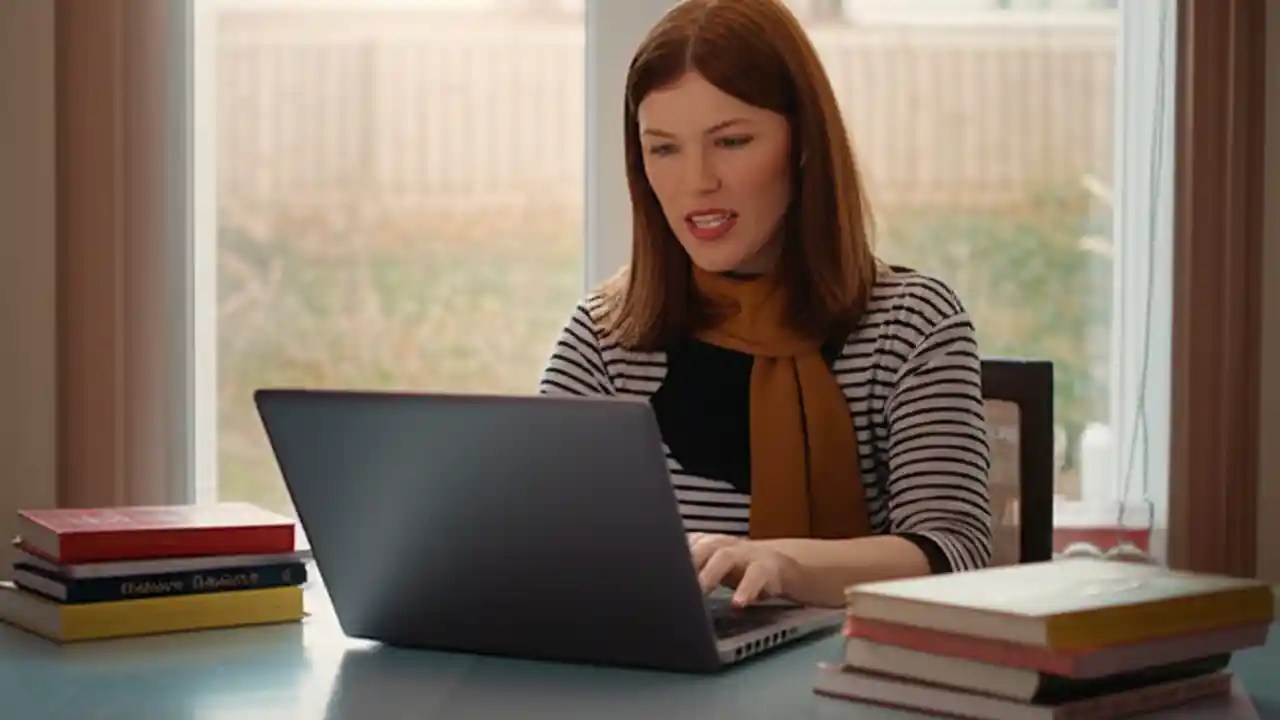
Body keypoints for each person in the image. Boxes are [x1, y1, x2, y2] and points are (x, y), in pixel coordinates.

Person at [540, 0, 992, 609]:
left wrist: (782, 564)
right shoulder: (604, 337)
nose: (697, 181)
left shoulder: (912, 325)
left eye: (731, 141)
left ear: (802, 143)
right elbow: (543, 546)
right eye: (664, 149)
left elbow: (955, 553)